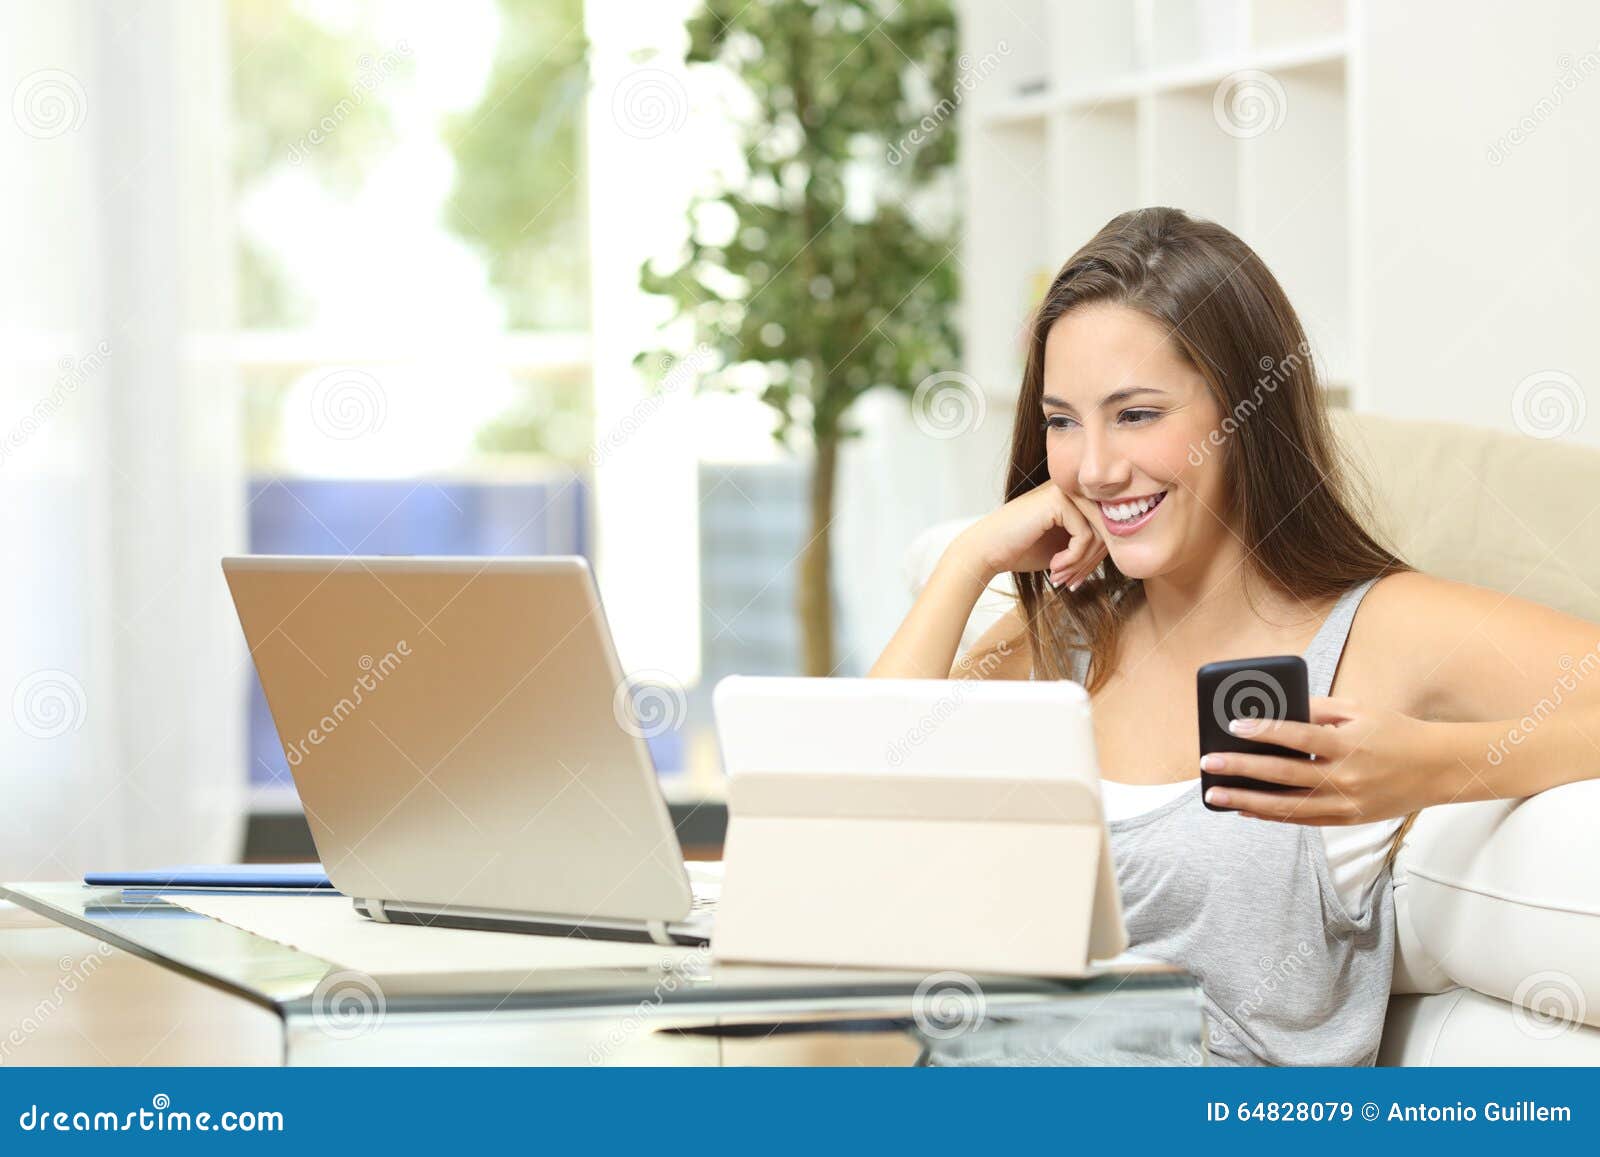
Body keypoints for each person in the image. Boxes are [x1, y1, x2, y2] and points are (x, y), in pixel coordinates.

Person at [870, 207, 1600, 1065]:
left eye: (1136, 414)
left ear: (1244, 415)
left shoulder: (1377, 630)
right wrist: (969, 558)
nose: (1095, 467)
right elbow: (862, 803)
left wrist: (1435, 766)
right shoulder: (1066, 634)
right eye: (1062, 420)